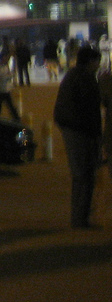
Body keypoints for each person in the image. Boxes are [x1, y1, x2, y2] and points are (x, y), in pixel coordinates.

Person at [53, 45, 102, 228]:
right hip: (79, 130)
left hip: (70, 127)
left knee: (79, 175)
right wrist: (97, 137)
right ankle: (80, 219)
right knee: (85, 175)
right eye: (98, 61)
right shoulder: (86, 78)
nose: (99, 64)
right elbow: (91, 111)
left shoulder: (73, 75)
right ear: (91, 61)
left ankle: (78, 217)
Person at [0, 50, 20, 120]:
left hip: (5, 89)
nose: (6, 59)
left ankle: (16, 118)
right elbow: (3, 77)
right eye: (5, 58)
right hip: (1, 90)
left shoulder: (5, 66)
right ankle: (16, 118)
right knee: (1, 106)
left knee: (7, 105)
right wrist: (11, 75)